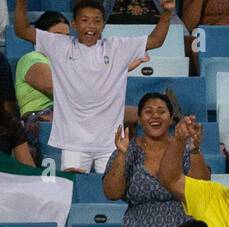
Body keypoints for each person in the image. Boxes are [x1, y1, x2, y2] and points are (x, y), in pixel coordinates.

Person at [12, 0, 175, 173]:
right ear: (74, 24)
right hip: (72, 143)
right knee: (75, 193)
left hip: (110, 142)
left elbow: (156, 41)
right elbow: (22, 30)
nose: (91, 26)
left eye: (97, 21)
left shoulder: (117, 47)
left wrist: (166, 13)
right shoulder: (59, 45)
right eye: (85, 20)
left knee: (111, 196)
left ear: (104, 25)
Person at [104, 92, 211, 227]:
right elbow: (111, 193)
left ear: (170, 119)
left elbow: (201, 187)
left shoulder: (184, 148)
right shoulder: (127, 148)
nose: (155, 116)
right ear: (139, 119)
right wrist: (121, 154)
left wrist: (194, 149)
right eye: (148, 111)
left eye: (161, 111)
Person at [14, 10, 68, 164]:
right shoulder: (31, 58)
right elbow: (55, 90)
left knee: (124, 114)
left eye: (67, 36)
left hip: (68, 113)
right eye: (57, 35)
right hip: (41, 119)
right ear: (41, 37)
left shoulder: (67, 63)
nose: (64, 41)